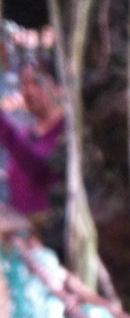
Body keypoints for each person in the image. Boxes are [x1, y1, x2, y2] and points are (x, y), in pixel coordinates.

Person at [0, 64, 65, 219]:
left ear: (58, 87)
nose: (27, 92)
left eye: (35, 83)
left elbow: (40, 169)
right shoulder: (25, 135)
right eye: (23, 85)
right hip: (22, 236)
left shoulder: (66, 133)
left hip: (53, 237)